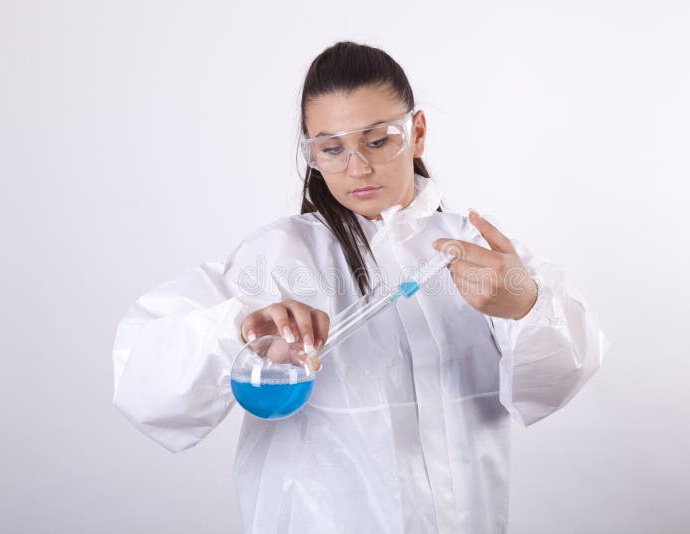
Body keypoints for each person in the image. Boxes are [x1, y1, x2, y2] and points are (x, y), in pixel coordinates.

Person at [112, 41, 608, 534]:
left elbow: (557, 380)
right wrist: (238, 335)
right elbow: (147, 390)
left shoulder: (478, 248)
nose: (357, 168)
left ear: (416, 132)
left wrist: (524, 302)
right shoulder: (278, 260)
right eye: (331, 148)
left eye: (376, 141)